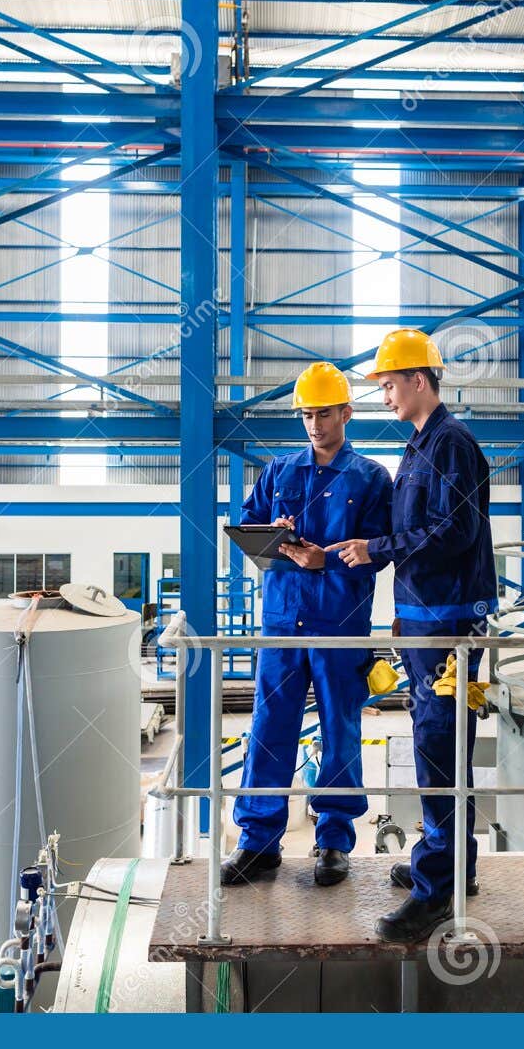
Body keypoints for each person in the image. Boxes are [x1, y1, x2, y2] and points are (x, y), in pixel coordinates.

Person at [326, 328, 497, 941]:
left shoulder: (450, 445)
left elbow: (451, 536)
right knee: (443, 748)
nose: (386, 396)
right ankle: (454, 867)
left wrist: (377, 547)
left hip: (448, 623)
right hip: (427, 619)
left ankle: (436, 893)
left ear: (419, 380)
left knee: (438, 750)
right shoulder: (423, 446)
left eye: (391, 384)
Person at [221, 361, 392, 888]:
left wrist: (329, 561)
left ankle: (334, 841)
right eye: (306, 415)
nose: (314, 424)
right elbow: (249, 526)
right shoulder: (280, 471)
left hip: (339, 621)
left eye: (323, 413)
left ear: (346, 412)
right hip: (281, 620)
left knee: (341, 728)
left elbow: (382, 550)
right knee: (270, 729)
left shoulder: (370, 479)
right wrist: (271, 533)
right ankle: (258, 842)